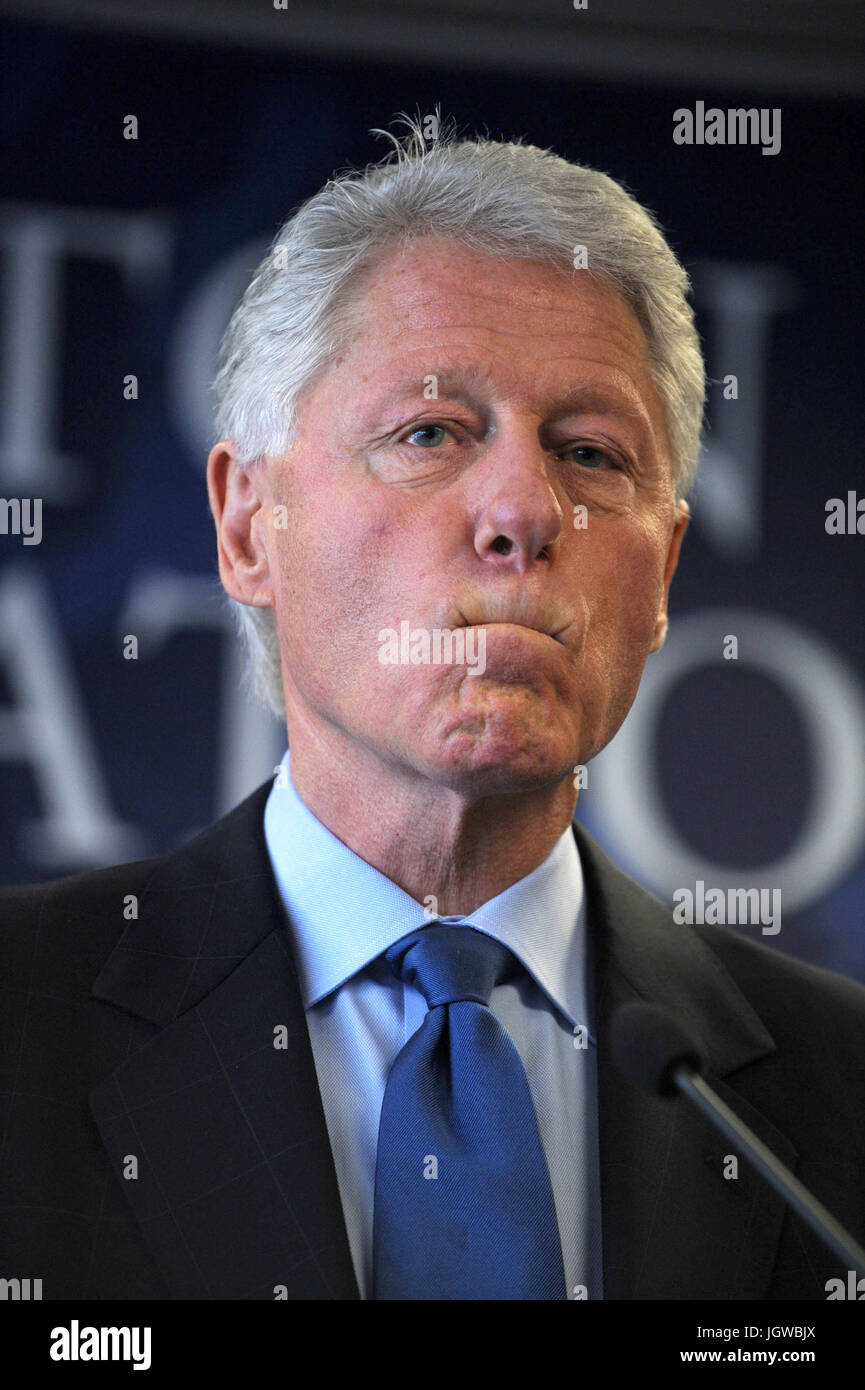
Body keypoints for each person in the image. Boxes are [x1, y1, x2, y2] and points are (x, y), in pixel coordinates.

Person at [2, 117, 863, 1302]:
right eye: (428, 432)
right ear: (249, 526)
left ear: (661, 574)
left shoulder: (838, 1094)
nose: (523, 508)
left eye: (593, 453)